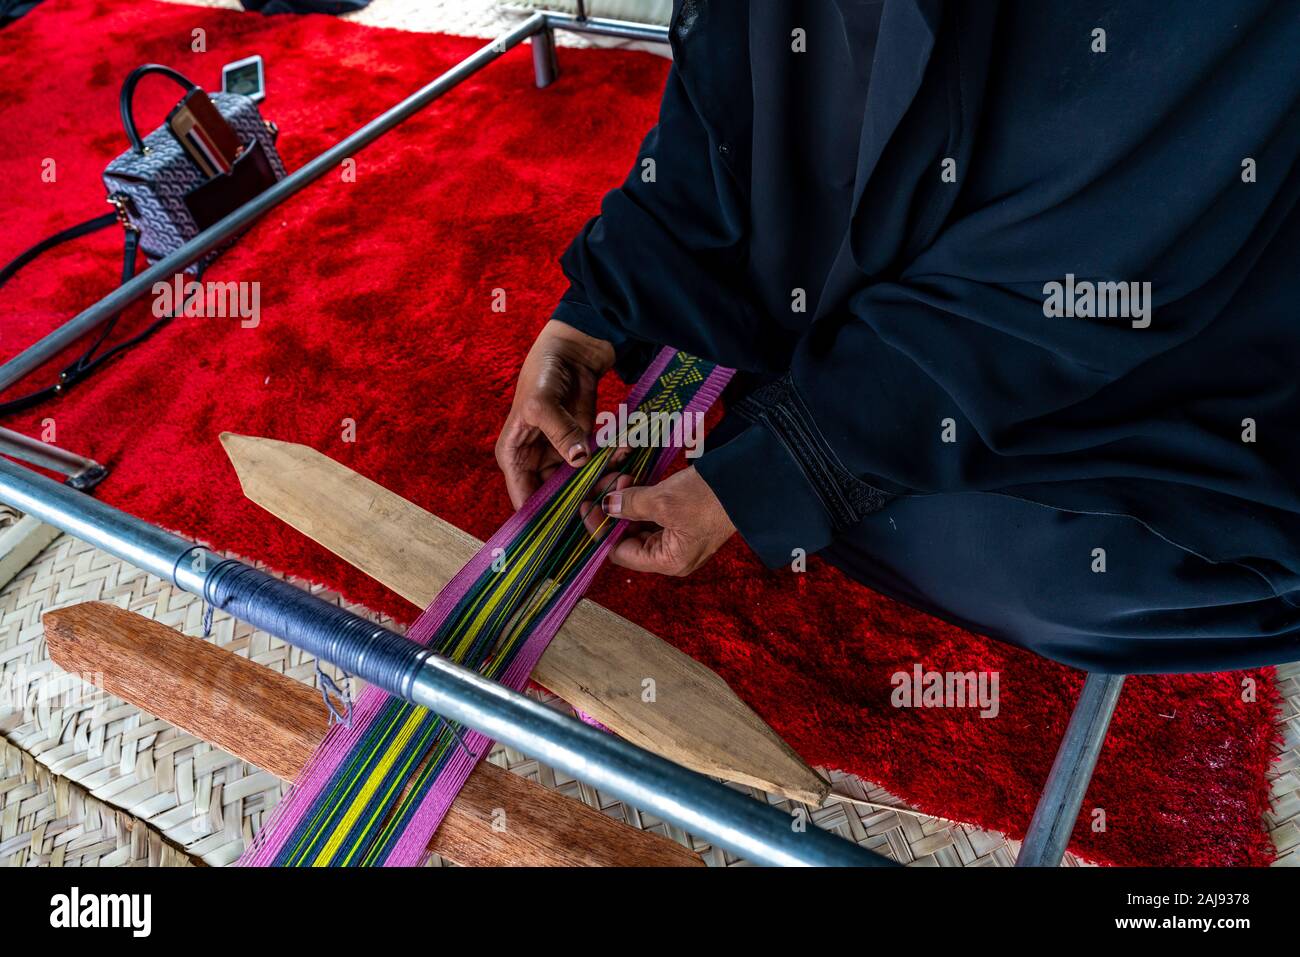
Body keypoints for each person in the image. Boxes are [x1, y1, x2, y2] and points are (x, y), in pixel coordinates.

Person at [495, 1, 1300, 674]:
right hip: (898, 248)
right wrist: (599, 309)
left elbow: (1108, 233)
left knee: (1059, 574)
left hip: (1132, 293)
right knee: (759, 392)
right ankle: (853, 385)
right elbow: (735, 64)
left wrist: (796, 461)